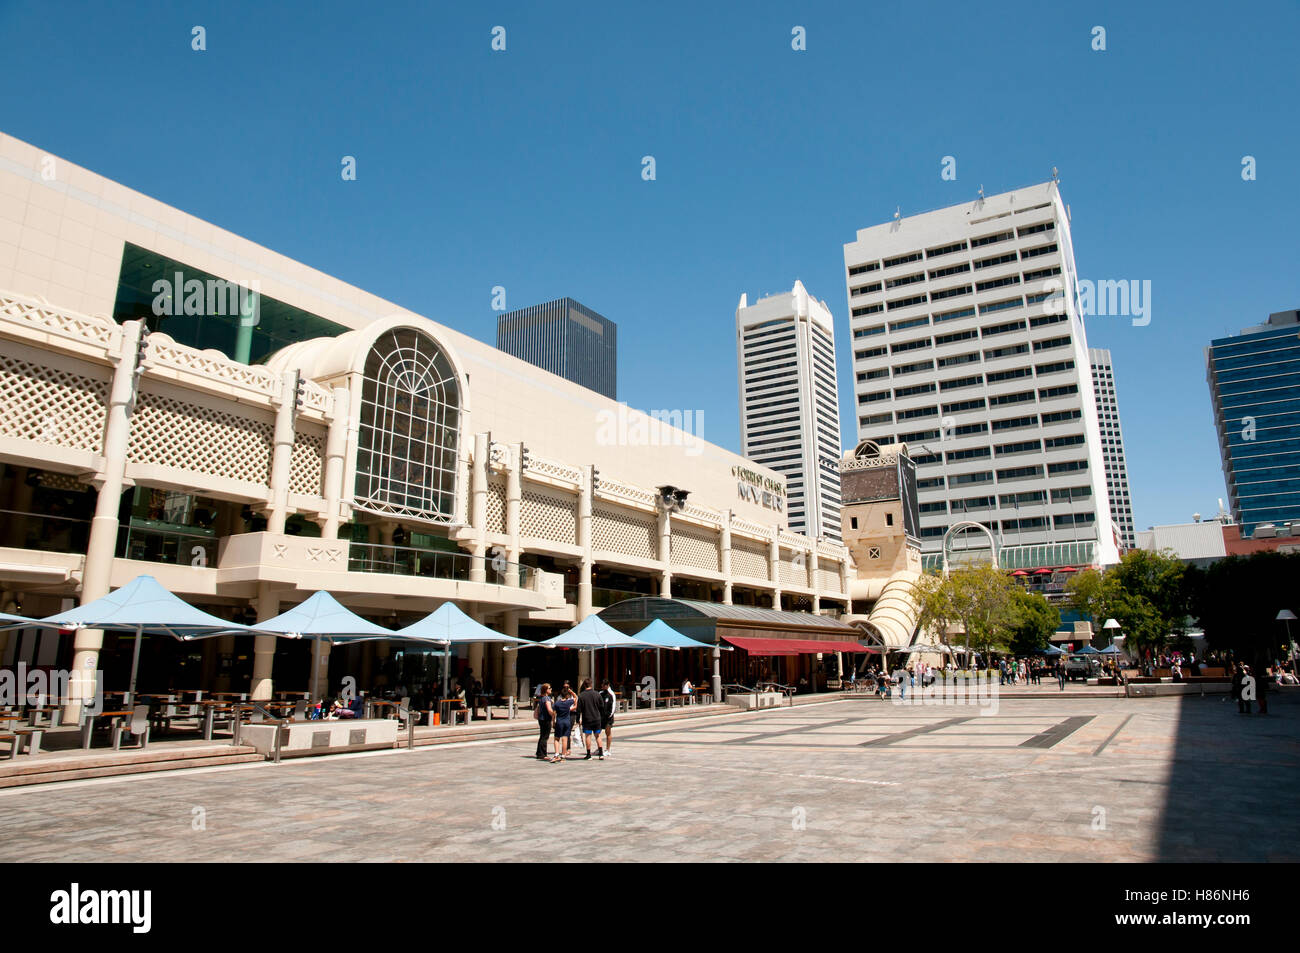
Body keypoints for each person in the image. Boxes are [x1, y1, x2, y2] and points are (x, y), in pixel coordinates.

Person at [577, 679, 605, 760]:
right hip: (596, 718)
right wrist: (601, 716)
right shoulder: (597, 694)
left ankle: (588, 754)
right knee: (598, 736)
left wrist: (578, 719)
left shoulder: (581, 695)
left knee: (588, 736)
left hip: (587, 719)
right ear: (591, 685)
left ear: (584, 685)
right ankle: (601, 753)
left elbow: (578, 709)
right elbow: (601, 707)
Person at [552, 682, 576, 761]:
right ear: (567, 695)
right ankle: (563, 755)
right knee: (565, 739)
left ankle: (556, 754)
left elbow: (554, 714)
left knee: (556, 738)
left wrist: (553, 722)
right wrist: (571, 692)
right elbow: (576, 698)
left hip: (559, 721)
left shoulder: (557, 703)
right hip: (567, 722)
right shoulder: (568, 703)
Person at [534, 683, 554, 760]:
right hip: (546, 719)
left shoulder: (541, 698)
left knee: (542, 735)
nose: (551, 689)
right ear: (546, 690)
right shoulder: (546, 699)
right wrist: (554, 715)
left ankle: (539, 752)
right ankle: (542, 754)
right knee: (545, 736)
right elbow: (549, 709)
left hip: (541, 719)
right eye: (549, 688)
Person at [600, 679, 617, 757]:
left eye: (604, 685)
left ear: (607, 685)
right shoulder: (600, 693)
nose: (603, 686)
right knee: (598, 732)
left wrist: (610, 715)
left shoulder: (611, 694)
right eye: (602, 685)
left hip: (608, 717)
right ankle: (599, 748)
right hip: (601, 716)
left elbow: (613, 706)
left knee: (608, 732)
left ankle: (607, 749)